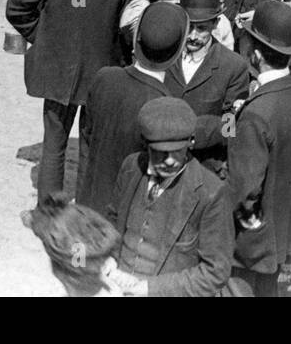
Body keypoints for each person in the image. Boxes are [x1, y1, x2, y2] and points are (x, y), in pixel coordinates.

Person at [5, 0, 143, 201]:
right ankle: (83, 212)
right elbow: (128, 34)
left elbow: (16, 7)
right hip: (102, 76)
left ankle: (48, 213)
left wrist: (43, 37)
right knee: (90, 149)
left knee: (54, 144)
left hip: (57, 71)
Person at [228, 0, 291, 296]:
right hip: (287, 225)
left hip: (251, 237)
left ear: (255, 54)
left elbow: (244, 190)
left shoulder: (256, 113)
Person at [101, 97, 235, 297]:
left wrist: (149, 289)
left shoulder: (212, 193)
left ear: (191, 143)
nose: (170, 160)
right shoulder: (131, 167)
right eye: (161, 153)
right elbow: (112, 218)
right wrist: (108, 256)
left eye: (178, 152)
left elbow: (215, 273)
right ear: (146, 144)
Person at [76, 1, 188, 218]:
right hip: (126, 214)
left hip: (90, 202)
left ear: (137, 39)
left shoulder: (104, 77)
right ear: (177, 51)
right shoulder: (164, 104)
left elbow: (88, 136)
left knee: (79, 253)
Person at [165, 0, 250, 179]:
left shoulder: (234, 67)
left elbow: (231, 126)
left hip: (203, 170)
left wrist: (195, 134)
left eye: (201, 28)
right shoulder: (164, 55)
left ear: (215, 24)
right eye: (188, 27)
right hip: (160, 162)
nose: (193, 36)